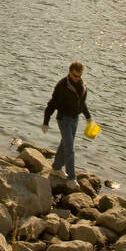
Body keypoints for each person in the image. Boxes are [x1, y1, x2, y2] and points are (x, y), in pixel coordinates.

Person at [42, 61, 95, 190]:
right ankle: (72, 178)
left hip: (75, 119)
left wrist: (89, 118)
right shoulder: (62, 85)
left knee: (65, 144)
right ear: (69, 72)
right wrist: (46, 121)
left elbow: (82, 104)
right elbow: (52, 103)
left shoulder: (82, 85)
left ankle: (56, 168)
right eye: (75, 76)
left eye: (79, 76)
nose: (77, 78)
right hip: (64, 119)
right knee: (70, 148)